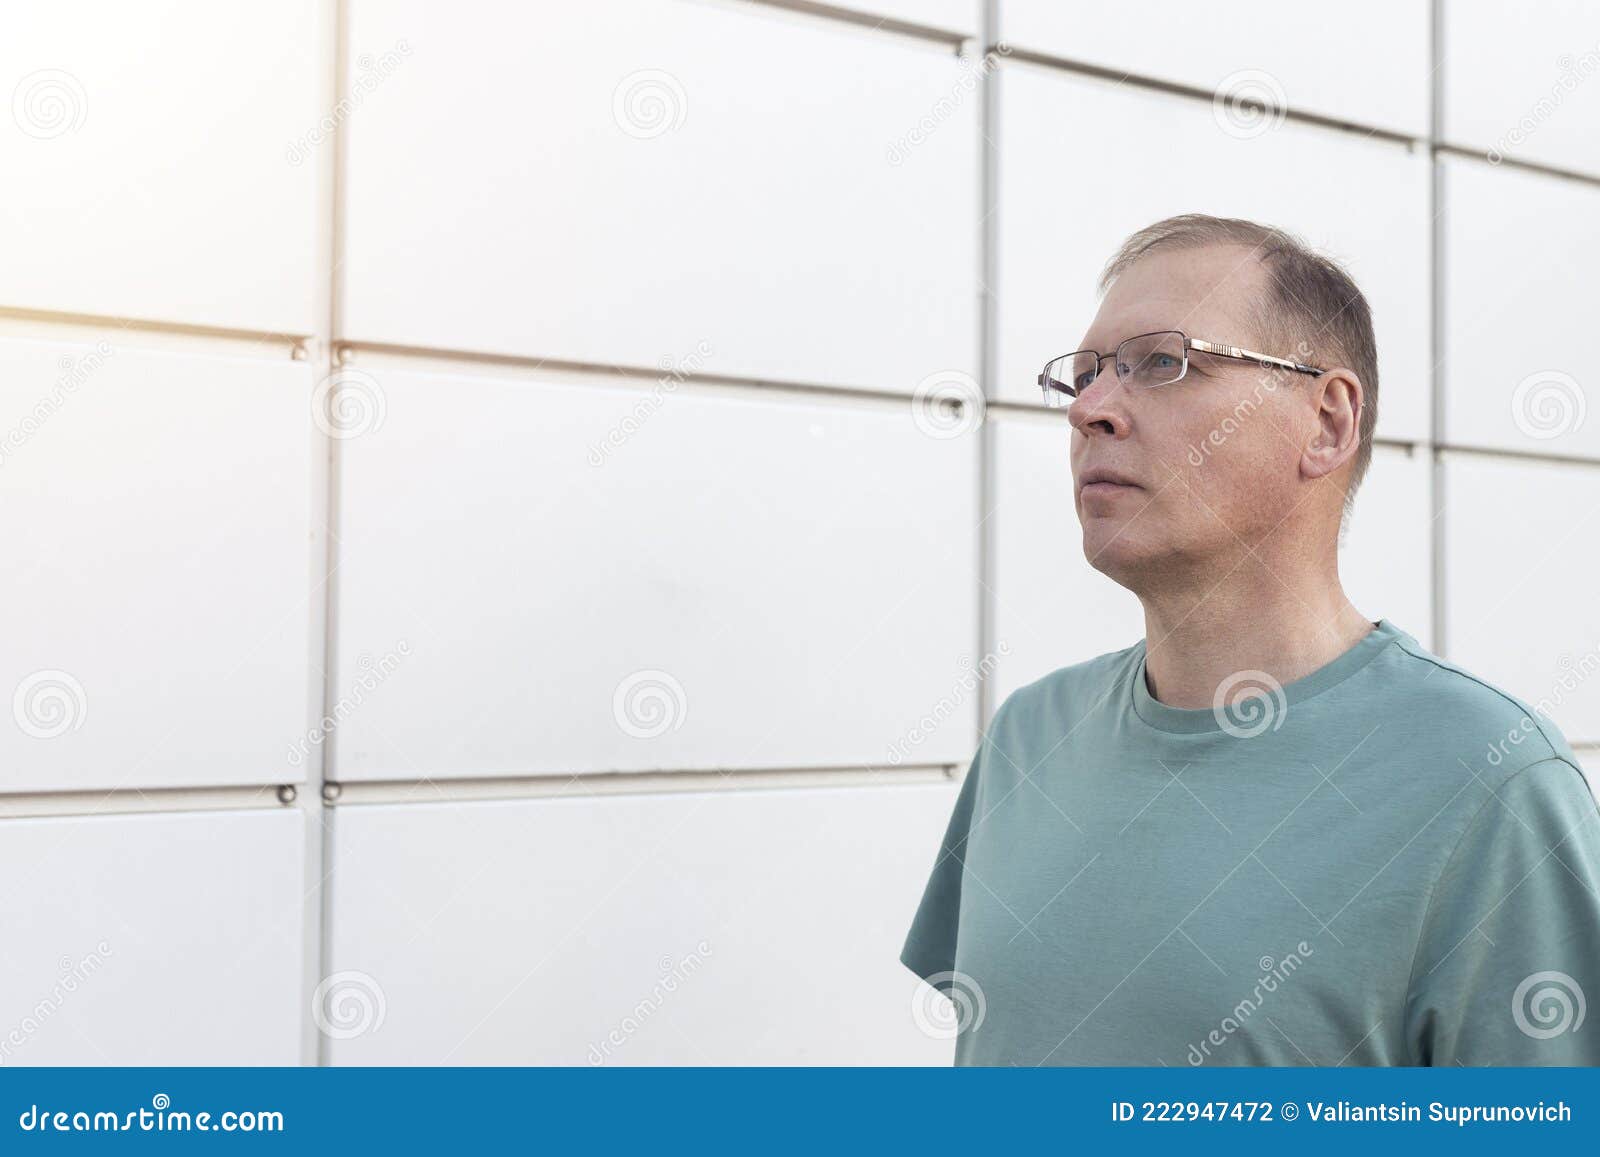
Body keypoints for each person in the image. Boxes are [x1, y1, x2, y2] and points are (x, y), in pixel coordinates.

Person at [902, 214, 1600, 1066]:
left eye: (1162, 362)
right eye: (1081, 376)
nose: (1089, 410)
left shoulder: (1489, 778)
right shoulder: (1028, 737)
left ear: (1328, 422)